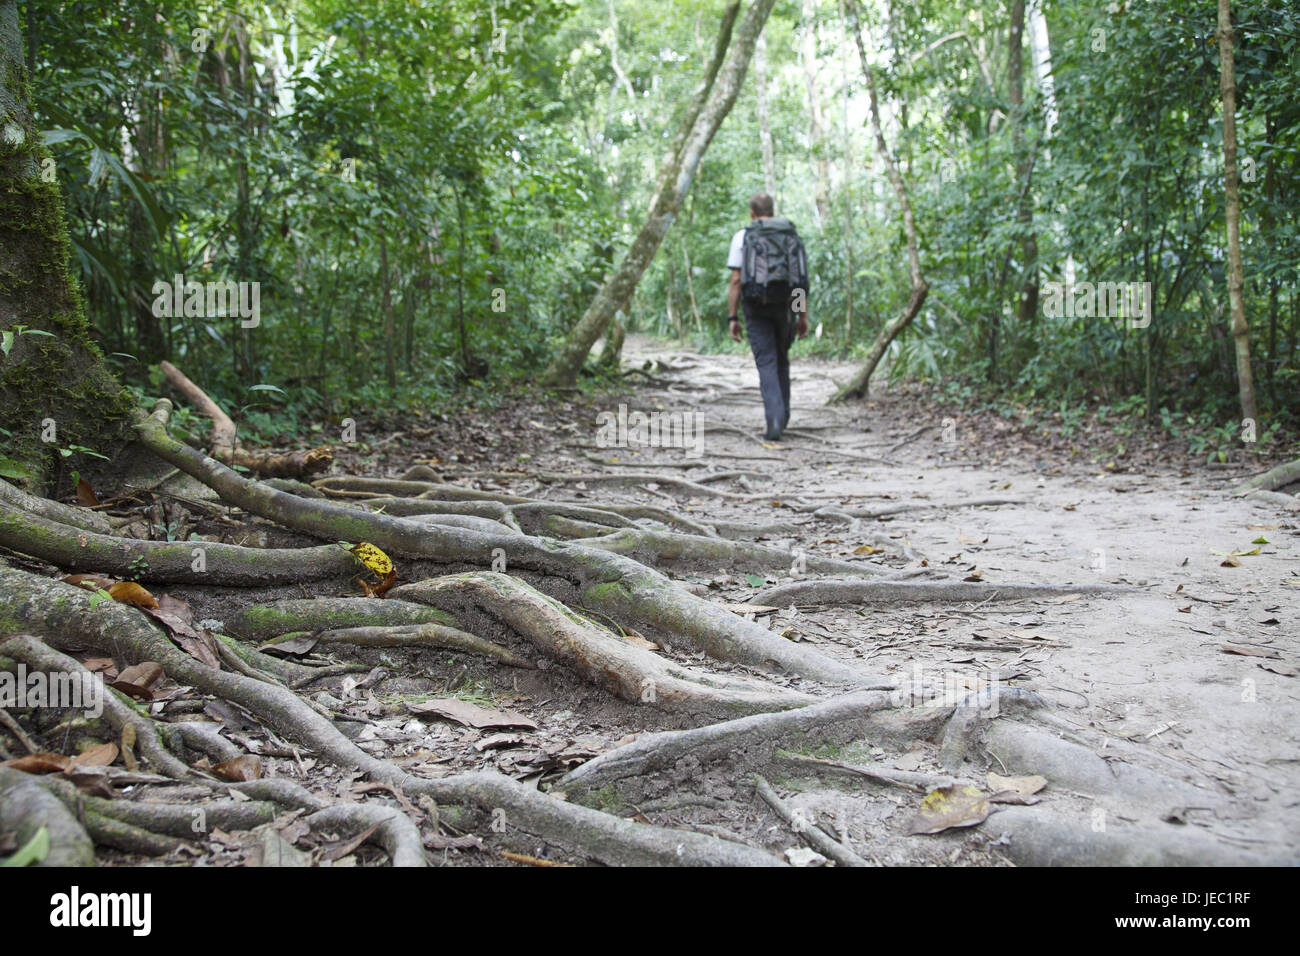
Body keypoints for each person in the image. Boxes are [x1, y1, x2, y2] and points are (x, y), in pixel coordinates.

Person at [727, 192, 809, 441]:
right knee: (782, 359)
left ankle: (773, 418)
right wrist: (801, 315)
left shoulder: (743, 236)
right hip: (786, 306)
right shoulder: (790, 235)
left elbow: (736, 280)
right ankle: (782, 417)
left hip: (755, 305)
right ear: (773, 211)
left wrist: (733, 317)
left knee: (766, 362)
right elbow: (799, 279)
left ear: (752, 212)